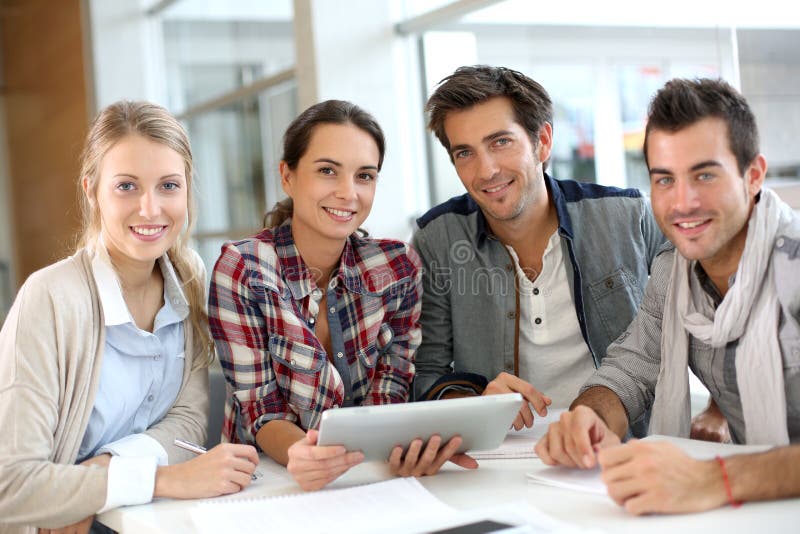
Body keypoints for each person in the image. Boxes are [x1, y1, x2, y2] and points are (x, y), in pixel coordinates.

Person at [535, 78, 800, 514]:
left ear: (753, 175)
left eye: (704, 175)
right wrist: (588, 418)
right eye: (664, 179)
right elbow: (629, 369)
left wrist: (713, 478)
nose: (683, 203)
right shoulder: (672, 272)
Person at [0, 101, 259, 534]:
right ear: (91, 191)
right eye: (126, 186)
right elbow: (10, 485)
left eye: (168, 186)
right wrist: (159, 479)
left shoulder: (189, 276)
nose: (150, 208)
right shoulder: (50, 298)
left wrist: (104, 473)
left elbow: (188, 422)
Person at [208, 99, 476, 492]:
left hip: (366, 476)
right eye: (327, 171)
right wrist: (307, 456)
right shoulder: (244, 268)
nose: (348, 193)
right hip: (266, 482)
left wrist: (413, 449)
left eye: (364, 176)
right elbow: (260, 410)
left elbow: (392, 391)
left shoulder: (397, 267)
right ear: (287, 176)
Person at [412, 65, 665, 432]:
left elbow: (708, 307)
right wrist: (476, 404)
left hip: (621, 446)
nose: (485, 171)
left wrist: (718, 406)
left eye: (500, 142)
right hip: (499, 453)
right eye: (465, 153)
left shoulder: (628, 216)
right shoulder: (436, 238)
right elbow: (427, 374)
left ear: (543, 141)